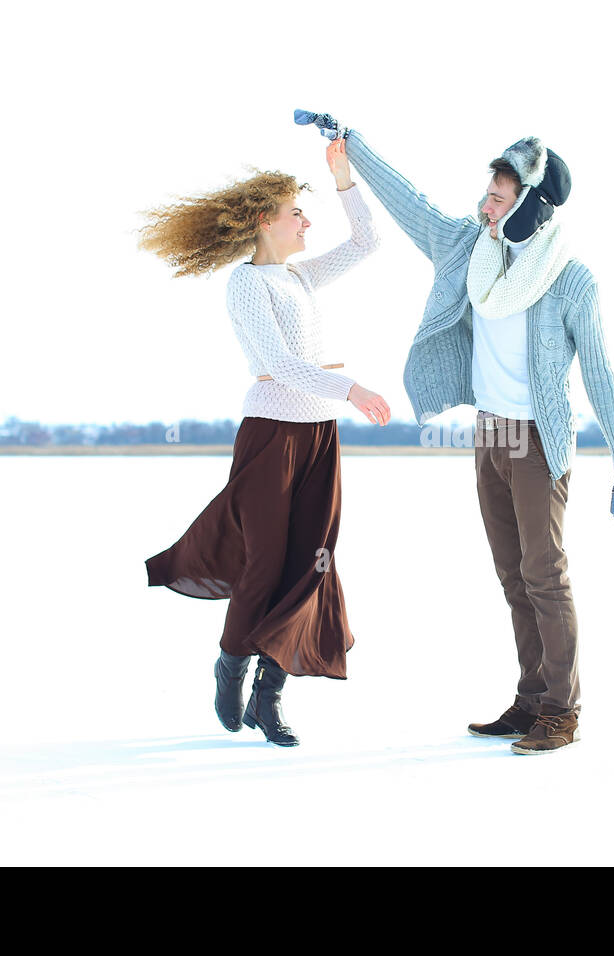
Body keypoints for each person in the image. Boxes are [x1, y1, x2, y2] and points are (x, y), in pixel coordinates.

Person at [295, 110, 614, 755]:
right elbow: (409, 203)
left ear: (529, 207)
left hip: (538, 441)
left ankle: (561, 712)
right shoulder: (466, 246)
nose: (484, 205)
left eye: (499, 198)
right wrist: (354, 145)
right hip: (491, 436)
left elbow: (599, 373)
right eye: (486, 194)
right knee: (513, 576)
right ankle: (530, 700)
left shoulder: (570, 281)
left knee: (545, 574)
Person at [139, 138, 390, 747]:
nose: (307, 220)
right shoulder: (249, 283)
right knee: (264, 563)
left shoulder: (299, 276)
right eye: (296, 212)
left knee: (312, 562)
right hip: (271, 435)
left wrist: (343, 179)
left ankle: (270, 695)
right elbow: (278, 363)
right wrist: (351, 388)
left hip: (318, 438)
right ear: (264, 221)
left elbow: (367, 242)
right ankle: (232, 664)